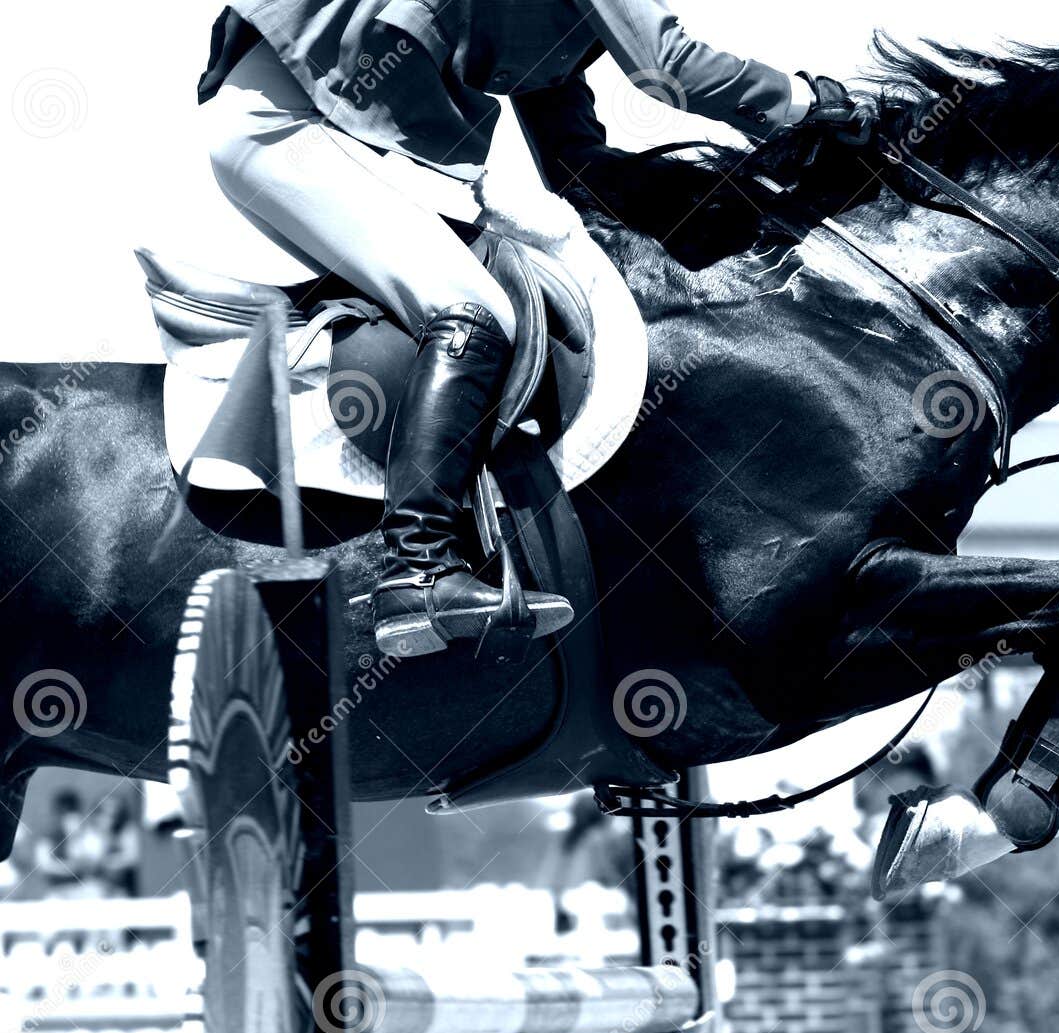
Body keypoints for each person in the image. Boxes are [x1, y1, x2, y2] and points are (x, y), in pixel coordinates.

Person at [197, 2, 870, 658]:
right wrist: (819, 103)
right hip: (285, 127)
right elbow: (673, 66)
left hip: (320, 124)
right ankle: (418, 572)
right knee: (468, 308)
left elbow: (571, 155)